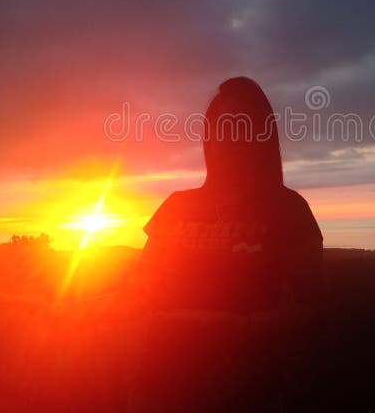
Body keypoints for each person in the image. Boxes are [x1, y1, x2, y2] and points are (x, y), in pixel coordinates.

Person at [129, 77, 325, 412]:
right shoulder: (177, 205)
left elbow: (313, 309)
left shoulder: (288, 209)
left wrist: (237, 326)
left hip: (247, 390)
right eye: (223, 128)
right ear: (209, 137)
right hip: (161, 384)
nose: (232, 138)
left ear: (262, 136)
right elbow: (141, 287)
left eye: (244, 127)